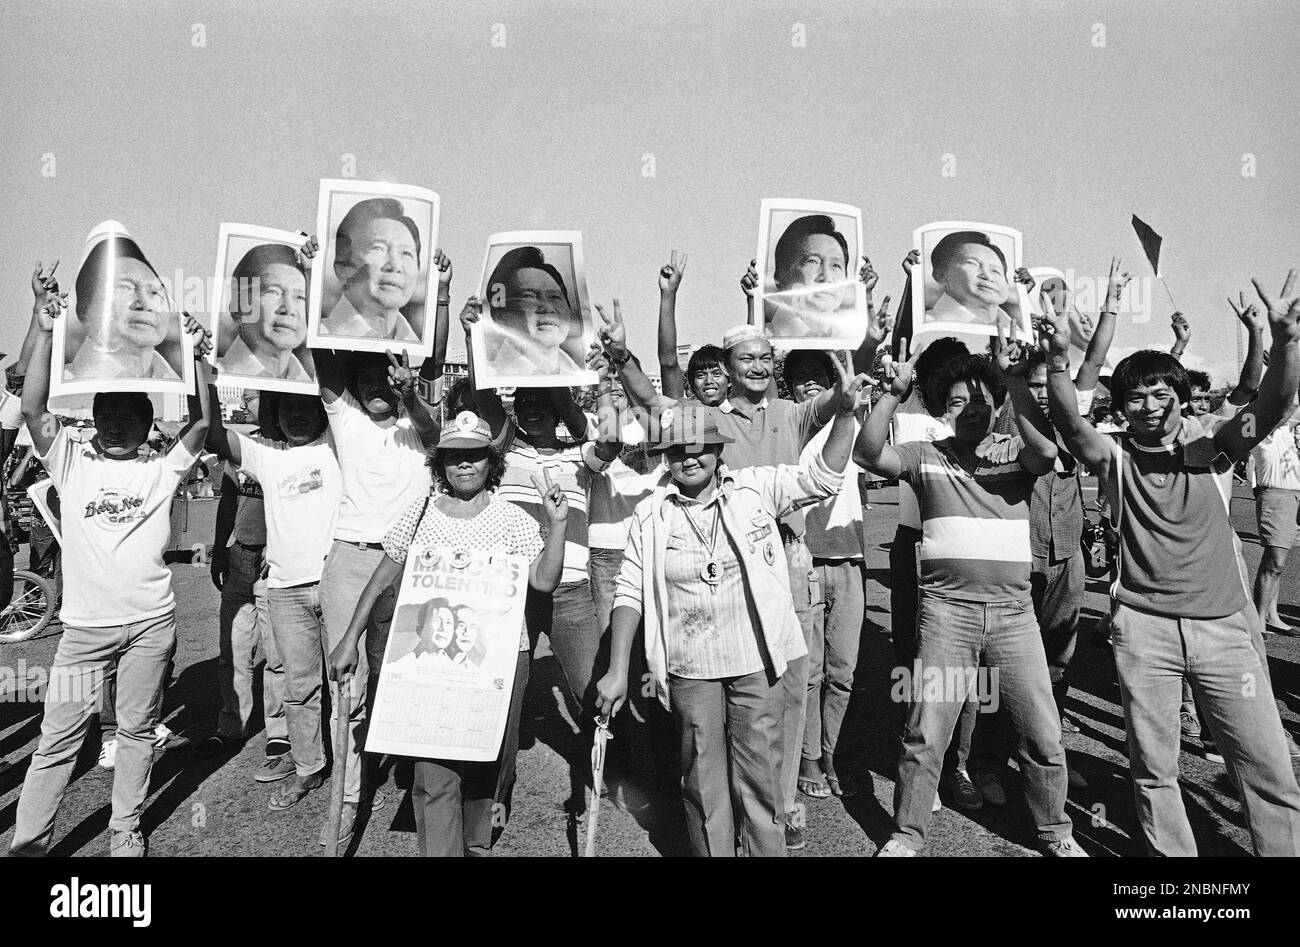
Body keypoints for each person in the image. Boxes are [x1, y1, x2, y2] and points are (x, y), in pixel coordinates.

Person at [1042, 272, 1300, 856]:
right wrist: (1058, 362)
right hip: (1143, 630)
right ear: (1122, 405)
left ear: (1183, 400)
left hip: (1225, 628)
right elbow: (1070, 424)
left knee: (1267, 769)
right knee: (1153, 771)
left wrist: (1284, 342)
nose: (1151, 407)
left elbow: (1273, 402)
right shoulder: (1115, 456)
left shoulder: (1217, 446)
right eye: (1138, 397)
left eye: (1163, 395)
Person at [595, 371, 862, 856]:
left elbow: (822, 478)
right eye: (677, 451)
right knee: (702, 783)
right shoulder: (650, 513)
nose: (689, 458)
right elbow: (628, 590)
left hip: (756, 663)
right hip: (690, 669)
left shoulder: (755, 489)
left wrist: (845, 415)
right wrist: (616, 672)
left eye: (700, 447)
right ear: (666, 458)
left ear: (719, 451)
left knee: (760, 779)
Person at [858, 346, 1086, 857]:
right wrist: (892, 397)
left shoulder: (1014, 451)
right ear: (943, 409)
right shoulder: (926, 456)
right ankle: (906, 834)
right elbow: (869, 455)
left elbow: (1047, 455)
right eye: (958, 401)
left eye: (982, 399)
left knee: (1042, 734)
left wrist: (1013, 379)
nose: (972, 408)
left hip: (1013, 614)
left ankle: (1056, 832)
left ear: (998, 403)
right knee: (926, 732)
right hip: (946, 613)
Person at [9, 294, 210, 857]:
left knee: (137, 733)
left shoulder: (162, 467)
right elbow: (32, 410)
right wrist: (46, 330)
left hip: (151, 627)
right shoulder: (71, 463)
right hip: (83, 634)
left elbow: (203, 422)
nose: (118, 426)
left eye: (130, 418)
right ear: (93, 420)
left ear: (149, 424)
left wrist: (194, 352)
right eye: (109, 416)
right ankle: (30, 843)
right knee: (56, 742)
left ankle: (125, 828)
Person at [329, 411, 568, 856]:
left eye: (474, 456)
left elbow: (543, 581)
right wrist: (349, 639)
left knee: (487, 761)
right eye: (454, 457)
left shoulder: (512, 519)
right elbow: (381, 579)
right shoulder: (419, 514)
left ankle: (475, 845)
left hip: (497, 660)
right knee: (432, 769)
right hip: (428, 662)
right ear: (440, 464)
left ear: (490, 463)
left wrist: (557, 525)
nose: (464, 465)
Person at [307, 234, 446, 843]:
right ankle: (346, 801)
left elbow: (433, 398)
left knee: (410, 677)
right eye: (367, 380)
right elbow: (321, 350)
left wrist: (437, 298)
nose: (377, 389)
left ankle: (421, 791)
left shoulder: (421, 430)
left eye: (387, 381)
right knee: (347, 680)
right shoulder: (345, 417)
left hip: (409, 567)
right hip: (349, 560)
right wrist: (316, 271)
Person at [462, 295, 620, 810]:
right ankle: (494, 793)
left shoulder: (581, 456)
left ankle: (609, 776)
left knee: (593, 689)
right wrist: (473, 336)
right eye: (522, 402)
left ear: (557, 408)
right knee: (503, 696)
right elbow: (485, 390)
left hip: (571, 592)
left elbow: (611, 442)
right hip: (512, 593)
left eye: (541, 401)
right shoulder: (503, 455)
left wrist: (604, 378)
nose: (530, 408)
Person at [205, 388, 348, 833]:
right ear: (274, 416)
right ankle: (309, 767)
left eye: (307, 408)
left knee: (348, 689)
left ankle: (353, 779)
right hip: (285, 590)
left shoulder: (338, 447)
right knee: (299, 687)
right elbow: (211, 433)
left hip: (336, 585)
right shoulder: (267, 457)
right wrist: (204, 371)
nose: (298, 416)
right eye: (288, 409)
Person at [193, 449, 292, 782]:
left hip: (273, 561)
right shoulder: (240, 453)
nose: (246, 403)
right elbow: (228, 503)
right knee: (233, 650)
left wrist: (279, 543)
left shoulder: (289, 451)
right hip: (239, 558)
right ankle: (231, 724)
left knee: (277, 655)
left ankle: (280, 732)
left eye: (250, 397)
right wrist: (219, 550)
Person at [65, 234, 179, 381]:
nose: (145, 304)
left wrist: (195, 355)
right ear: (84, 310)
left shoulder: (176, 381)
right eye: (125, 287)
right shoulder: (61, 382)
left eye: (155, 292)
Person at [319, 197, 424, 341]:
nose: (395, 265)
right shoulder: (315, 340)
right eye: (379, 248)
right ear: (343, 268)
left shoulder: (417, 348)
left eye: (406, 253)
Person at [483, 245, 585, 377]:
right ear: (500, 315)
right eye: (529, 296)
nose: (547, 308)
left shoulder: (582, 376)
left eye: (555, 297)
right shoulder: (489, 376)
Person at [220, 243, 312, 381]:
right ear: (238, 307)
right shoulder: (210, 376)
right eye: (273, 292)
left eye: (300, 297)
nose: (288, 309)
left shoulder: (316, 384)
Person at [1250, 399, 1300, 635]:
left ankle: (1271, 616)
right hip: (1277, 496)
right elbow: (1287, 405)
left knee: (1278, 563)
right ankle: (1258, 620)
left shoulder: (1286, 430)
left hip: (1294, 496)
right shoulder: (1263, 431)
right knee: (1274, 562)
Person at [764, 214, 854, 338]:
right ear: (780, 275)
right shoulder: (763, 338)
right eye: (812, 261)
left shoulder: (852, 338)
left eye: (836, 265)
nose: (827, 277)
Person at [924, 230, 1013, 328]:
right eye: (971, 263)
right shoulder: (924, 324)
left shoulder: (1021, 330)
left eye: (996, 271)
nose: (988, 276)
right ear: (940, 274)